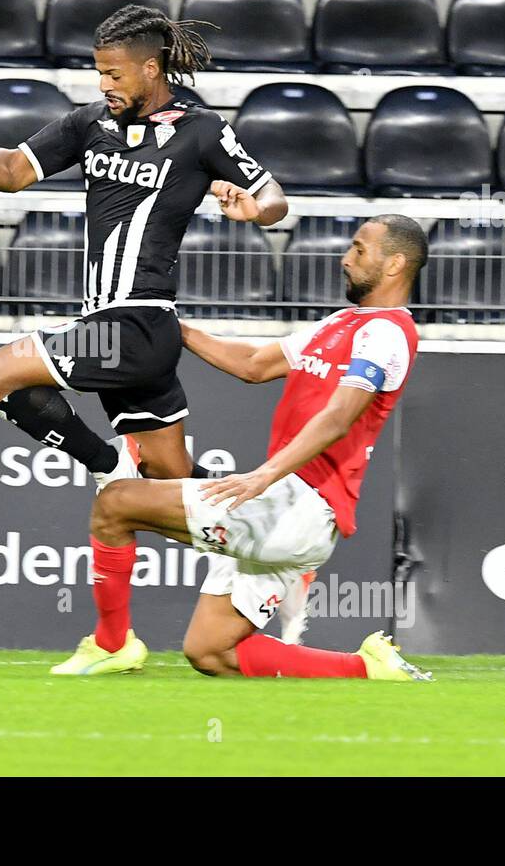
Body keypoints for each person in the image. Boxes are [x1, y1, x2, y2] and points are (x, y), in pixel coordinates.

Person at [0, 4, 288, 665]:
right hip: (117, 331)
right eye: (99, 72)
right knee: (173, 487)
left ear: (151, 68)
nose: (104, 84)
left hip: (139, 324)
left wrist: (253, 209)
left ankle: (105, 467)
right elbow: (12, 172)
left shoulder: (201, 131)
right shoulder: (88, 125)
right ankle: (263, 547)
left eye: (114, 73)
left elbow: (273, 195)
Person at [52, 216, 434, 680]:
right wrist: (169, 326)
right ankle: (368, 667)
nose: (344, 259)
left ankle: (112, 645)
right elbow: (253, 364)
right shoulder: (343, 323)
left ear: (395, 264)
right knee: (210, 652)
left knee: (116, 504)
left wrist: (263, 476)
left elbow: (337, 419)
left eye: (359, 250)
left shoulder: (389, 333)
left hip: (300, 505)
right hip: (286, 502)